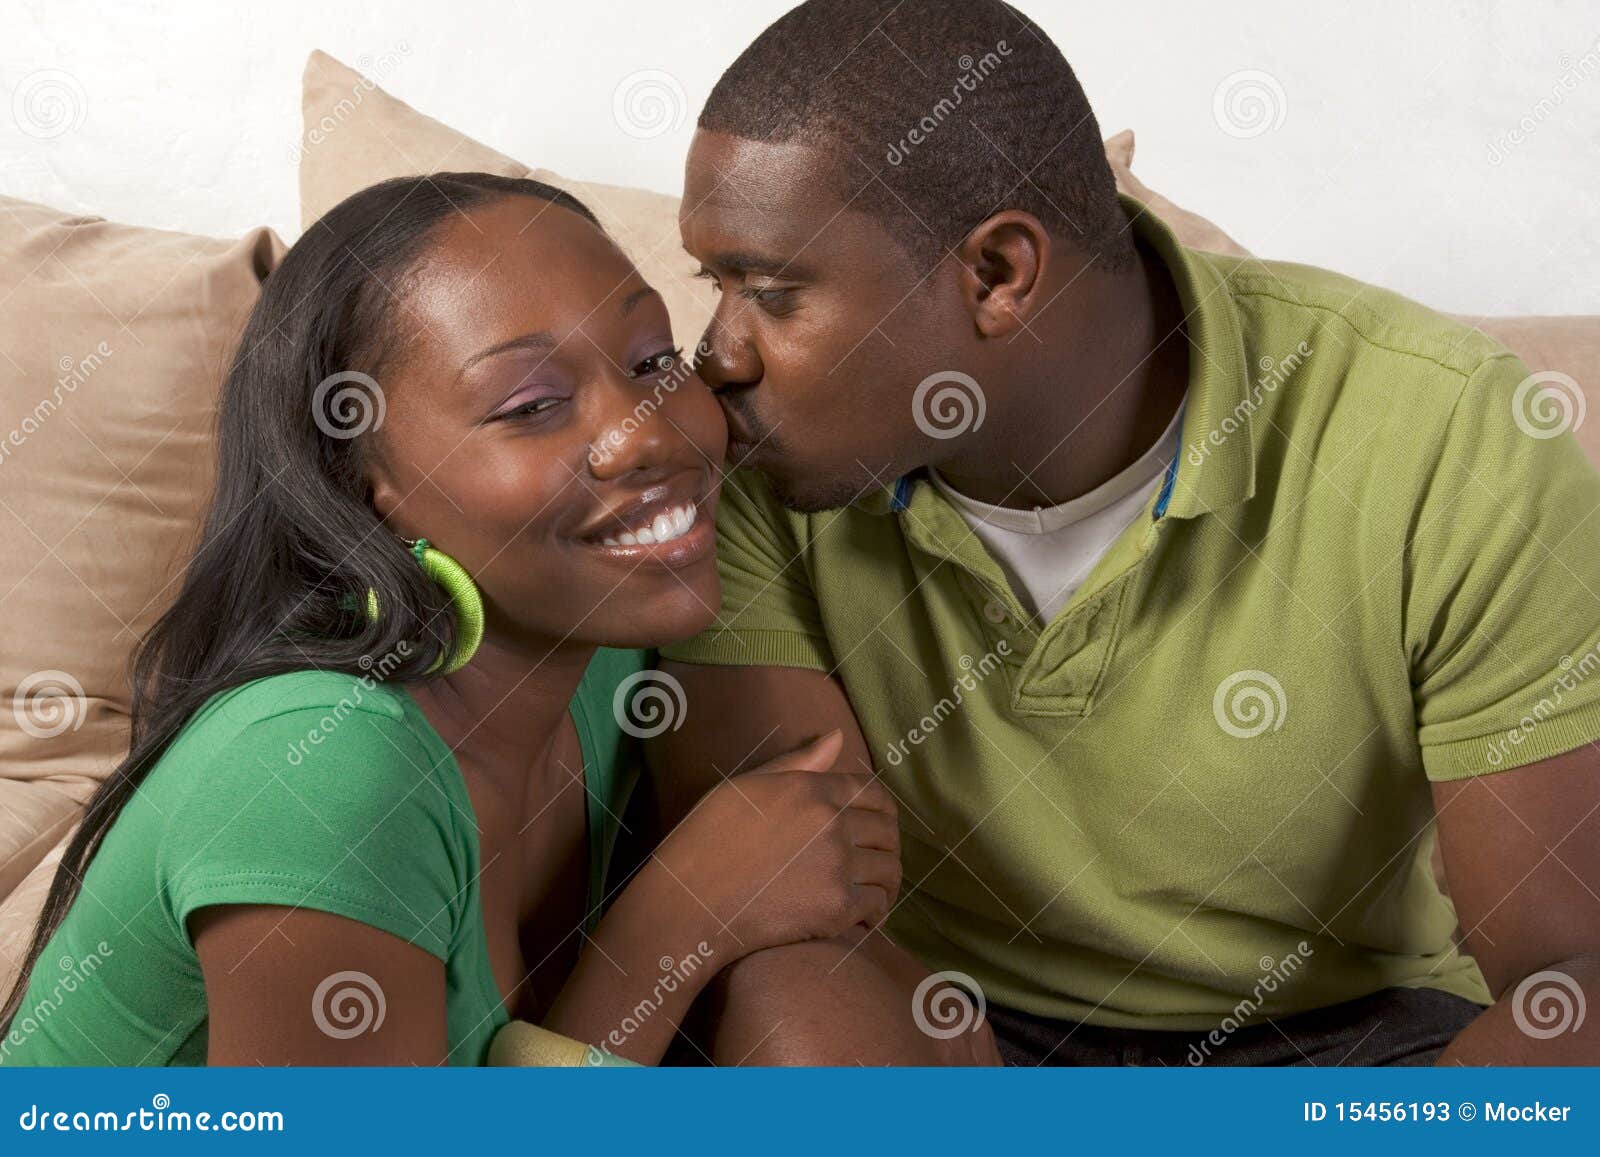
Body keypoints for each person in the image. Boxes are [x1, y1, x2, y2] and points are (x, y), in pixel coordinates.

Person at [649, 0, 1600, 1065]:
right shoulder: (739, 458)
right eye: (713, 285)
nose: (716, 355)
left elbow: (1568, 976)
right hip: (943, 1021)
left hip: (1356, 1044)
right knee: (788, 989)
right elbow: (790, 904)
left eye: (771, 293)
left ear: (997, 274)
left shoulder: (1447, 434)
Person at [0, 172, 942, 1067]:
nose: (648, 431)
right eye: (532, 405)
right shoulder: (323, 769)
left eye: (653, 360)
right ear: (366, 488)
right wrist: (677, 921)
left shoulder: (599, 644)